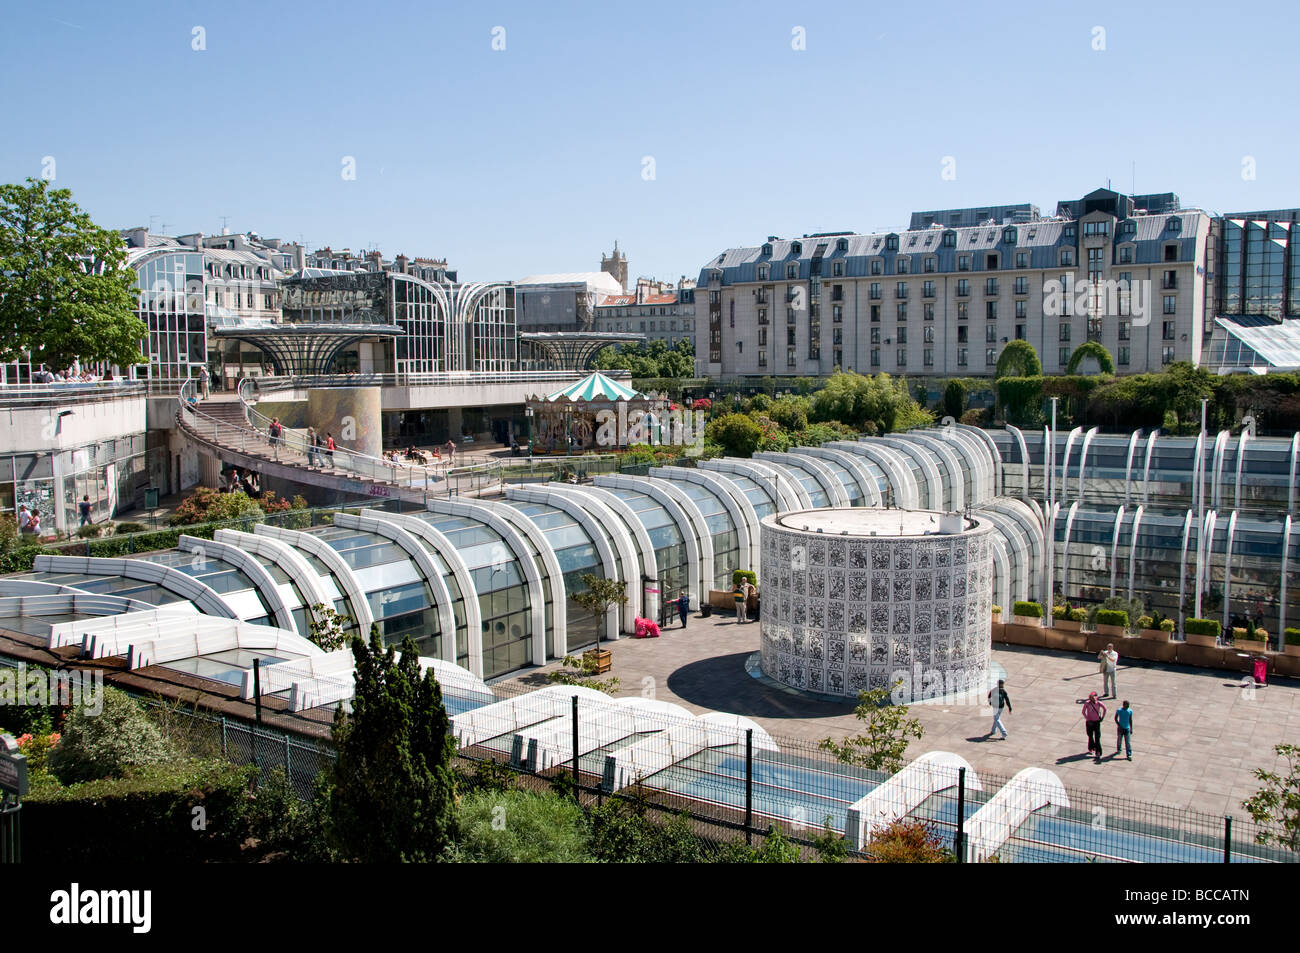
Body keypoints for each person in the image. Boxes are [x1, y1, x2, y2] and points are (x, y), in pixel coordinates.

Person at [1082, 691, 1107, 762]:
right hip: (1089, 722)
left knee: (1097, 737)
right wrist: (1087, 719)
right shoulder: (1087, 703)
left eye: (1093, 697)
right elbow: (1083, 712)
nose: (1092, 699)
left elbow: (1105, 709)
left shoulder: (1098, 703)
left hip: (1096, 722)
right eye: (1091, 697)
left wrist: (1102, 717)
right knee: (1090, 735)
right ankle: (1091, 748)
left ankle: (1098, 751)